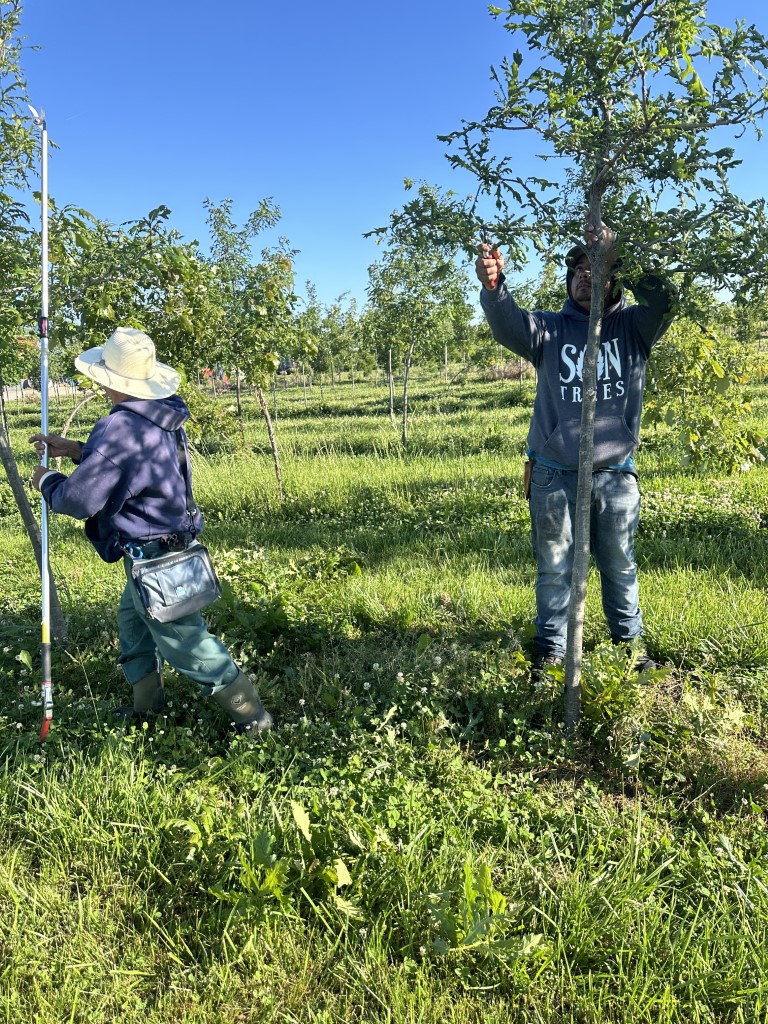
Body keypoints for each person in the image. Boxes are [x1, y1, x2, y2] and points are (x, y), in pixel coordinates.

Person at [30, 326, 273, 734]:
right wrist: (76, 450)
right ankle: (147, 707)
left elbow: (79, 499)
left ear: (107, 379)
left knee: (188, 644)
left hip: (154, 556)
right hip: (165, 547)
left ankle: (254, 719)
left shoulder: (120, 428)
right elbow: (132, 465)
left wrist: (45, 481)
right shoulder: (162, 413)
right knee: (133, 622)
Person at [475, 223, 676, 674]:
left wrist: (618, 251)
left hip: (615, 472)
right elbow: (508, 322)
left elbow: (665, 299)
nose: (585, 275)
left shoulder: (634, 329)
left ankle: (630, 648)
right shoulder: (548, 329)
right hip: (552, 471)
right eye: (579, 269)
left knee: (620, 564)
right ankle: (552, 651)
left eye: (596, 269)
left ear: (614, 279)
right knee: (554, 568)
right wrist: (494, 287)